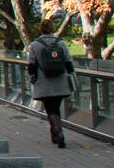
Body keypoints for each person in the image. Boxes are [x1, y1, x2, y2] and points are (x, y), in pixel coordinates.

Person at [28, 19, 77, 148]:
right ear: (52, 28)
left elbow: (31, 64)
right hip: (60, 82)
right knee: (55, 107)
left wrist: (32, 77)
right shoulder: (61, 43)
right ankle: (55, 132)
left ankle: (58, 131)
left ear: (41, 29)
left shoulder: (34, 45)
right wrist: (73, 77)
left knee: (50, 109)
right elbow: (68, 62)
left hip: (44, 82)